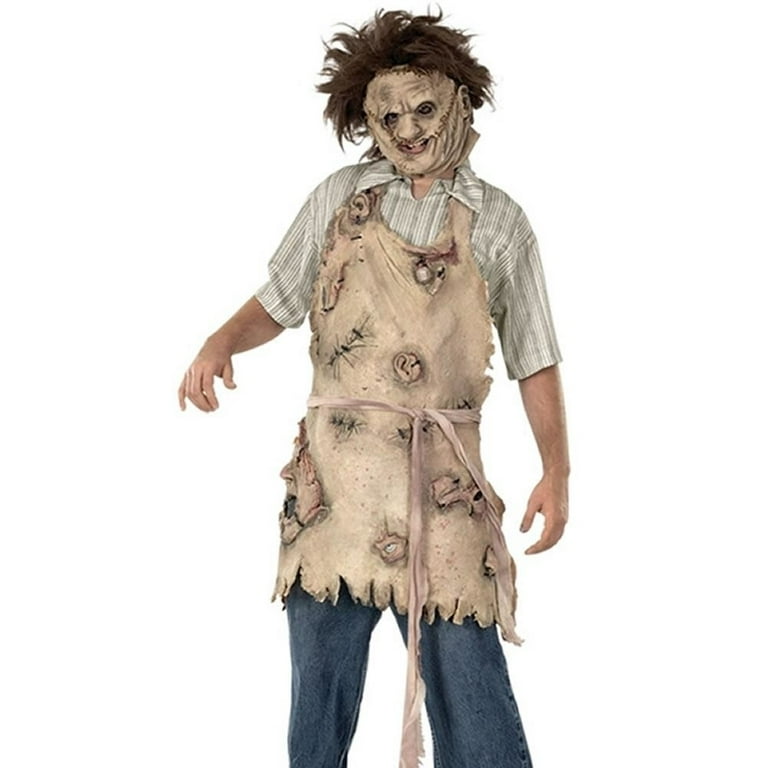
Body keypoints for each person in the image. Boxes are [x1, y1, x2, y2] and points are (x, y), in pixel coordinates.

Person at [178, 10, 569, 768]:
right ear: (367, 117)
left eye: (424, 108)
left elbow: (536, 356)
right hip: (336, 492)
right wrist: (221, 340)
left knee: (471, 690)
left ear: (459, 102)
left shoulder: (500, 223)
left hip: (443, 488)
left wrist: (557, 471)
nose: (408, 129)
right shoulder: (339, 199)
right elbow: (281, 299)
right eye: (389, 116)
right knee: (318, 699)